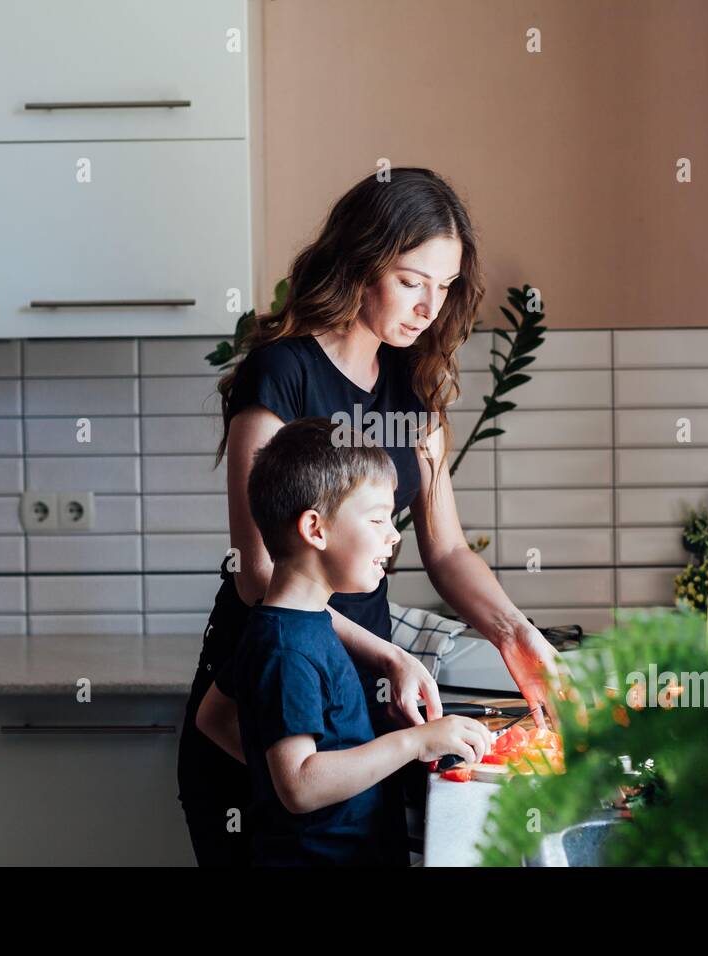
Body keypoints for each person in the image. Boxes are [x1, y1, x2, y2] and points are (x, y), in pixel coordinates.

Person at [177, 167, 561, 866]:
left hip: (358, 712)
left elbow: (446, 553)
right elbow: (257, 575)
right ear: (362, 260)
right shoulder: (281, 374)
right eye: (414, 281)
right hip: (261, 699)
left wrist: (519, 638)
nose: (430, 307)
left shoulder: (416, 392)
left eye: (444, 289)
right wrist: (388, 652)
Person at [195, 418, 493, 866]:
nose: (393, 534)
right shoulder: (287, 647)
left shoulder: (290, 624)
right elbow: (298, 786)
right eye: (377, 519)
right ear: (315, 529)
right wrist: (416, 743)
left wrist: (274, 775)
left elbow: (212, 716)